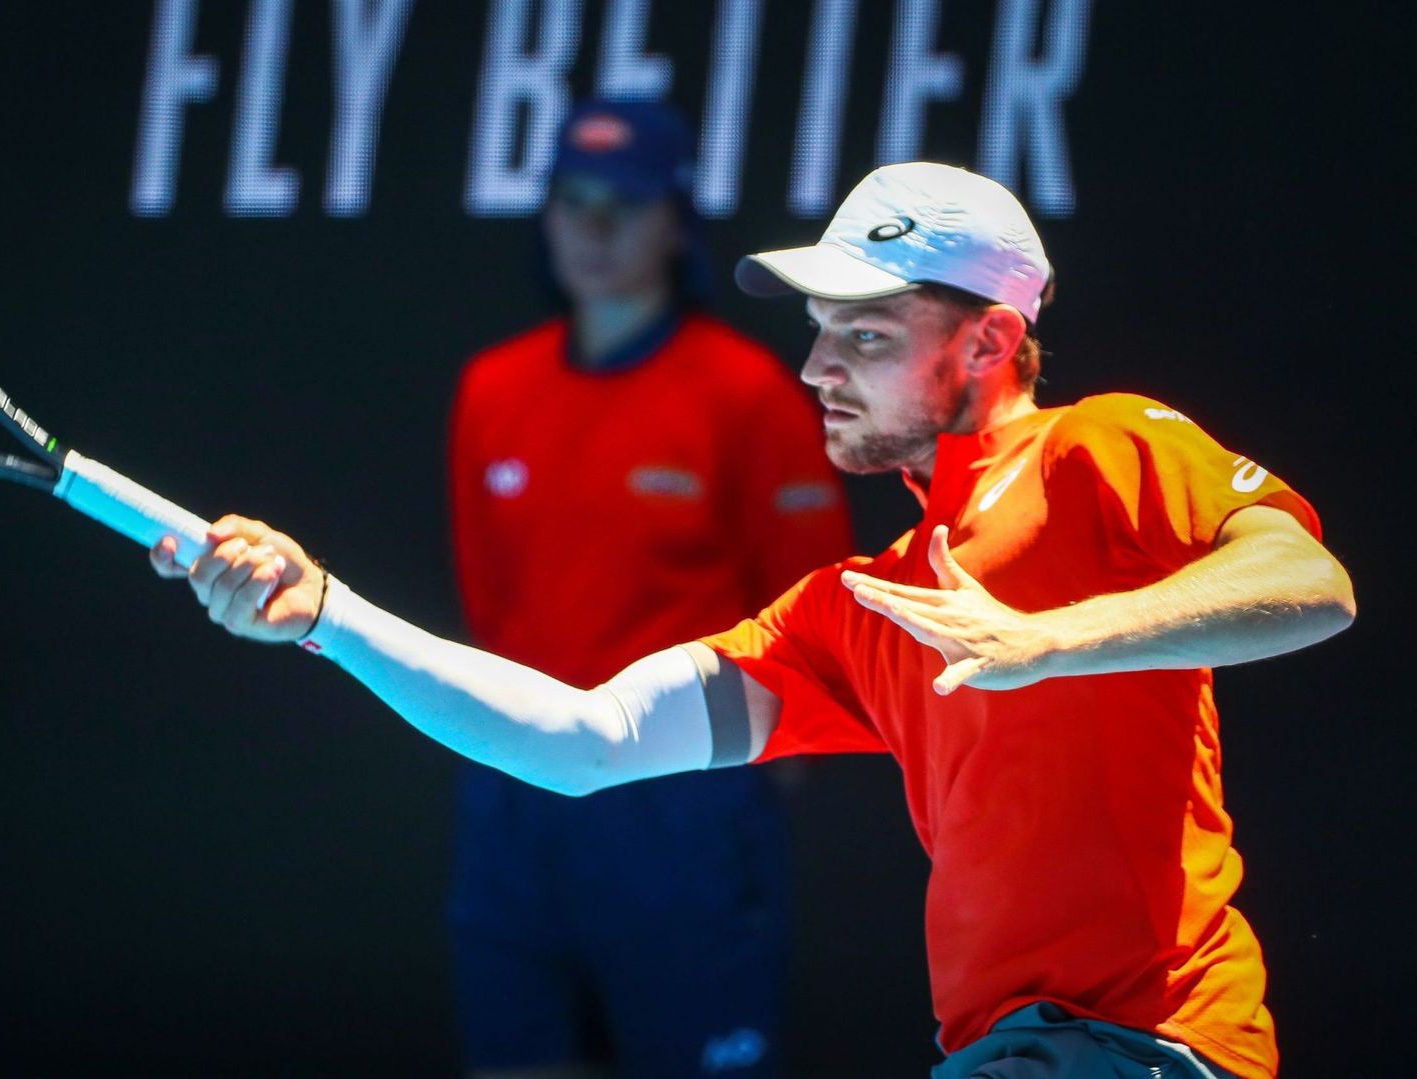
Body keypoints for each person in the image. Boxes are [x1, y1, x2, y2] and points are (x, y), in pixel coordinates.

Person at [149, 162, 1356, 1079]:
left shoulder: (1100, 445)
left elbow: (1309, 580)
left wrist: (1054, 638)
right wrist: (327, 614)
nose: (818, 367)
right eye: (822, 332)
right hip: (1001, 1051)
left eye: (866, 335)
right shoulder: (857, 605)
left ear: (991, 340)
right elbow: (582, 741)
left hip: (1152, 1043)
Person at [444, 98, 850, 1079]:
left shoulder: (745, 391)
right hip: (515, 791)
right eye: (572, 199)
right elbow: (488, 599)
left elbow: (809, 614)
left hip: (682, 799)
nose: (594, 227)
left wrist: (723, 780)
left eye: (623, 203)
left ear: (675, 220)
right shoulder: (493, 387)